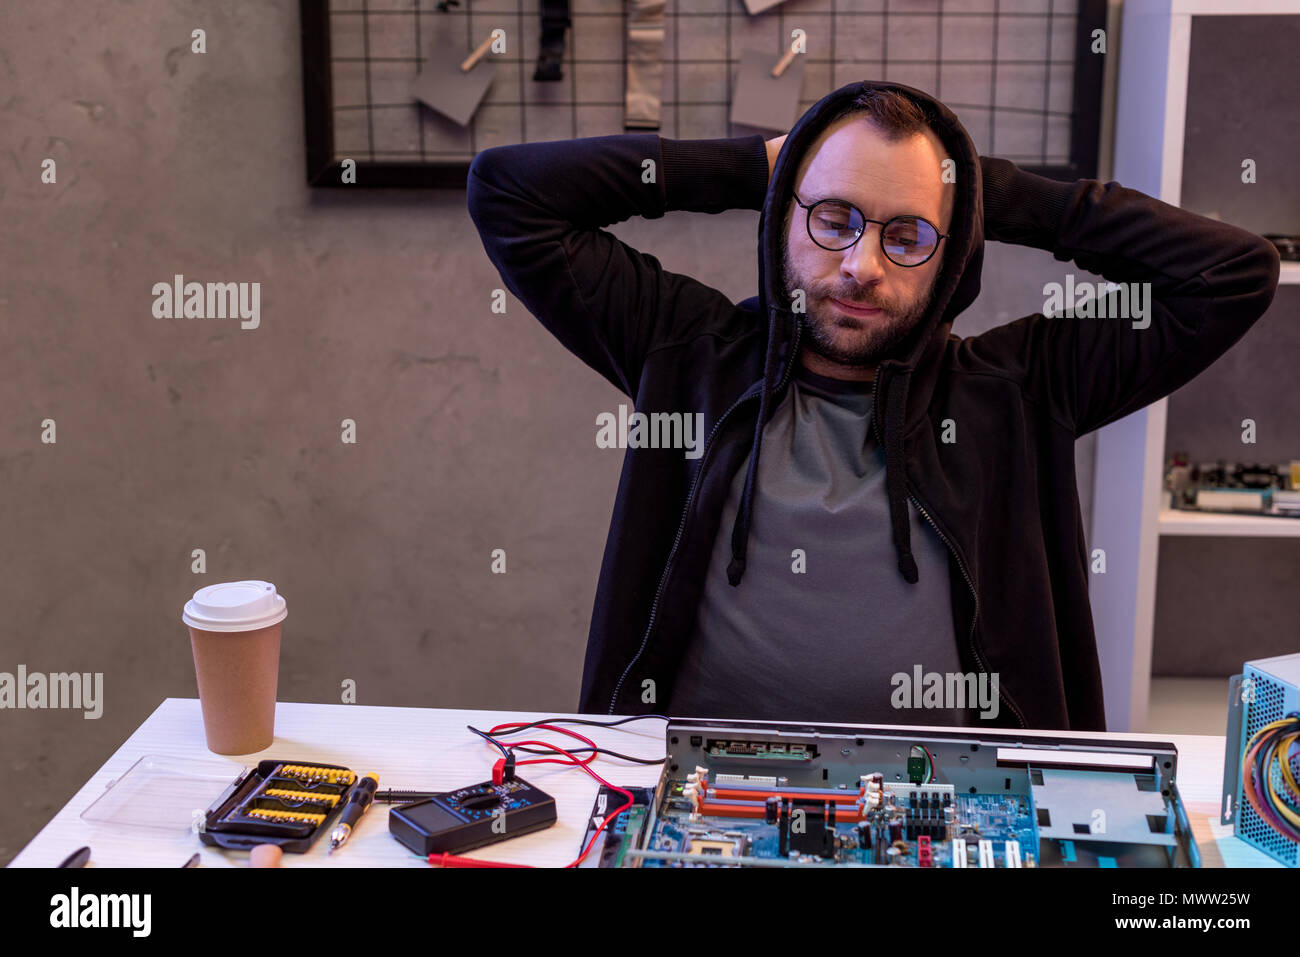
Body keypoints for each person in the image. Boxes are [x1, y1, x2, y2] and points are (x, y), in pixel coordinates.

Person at [466, 81, 1279, 730]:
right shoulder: (687, 353)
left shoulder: (1020, 390)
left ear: (950, 256)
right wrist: (758, 165)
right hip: (698, 809)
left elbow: (1232, 272)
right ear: (785, 217)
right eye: (833, 217)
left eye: (908, 236)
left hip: (947, 819)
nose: (861, 265)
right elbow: (508, 195)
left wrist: (977, 185)